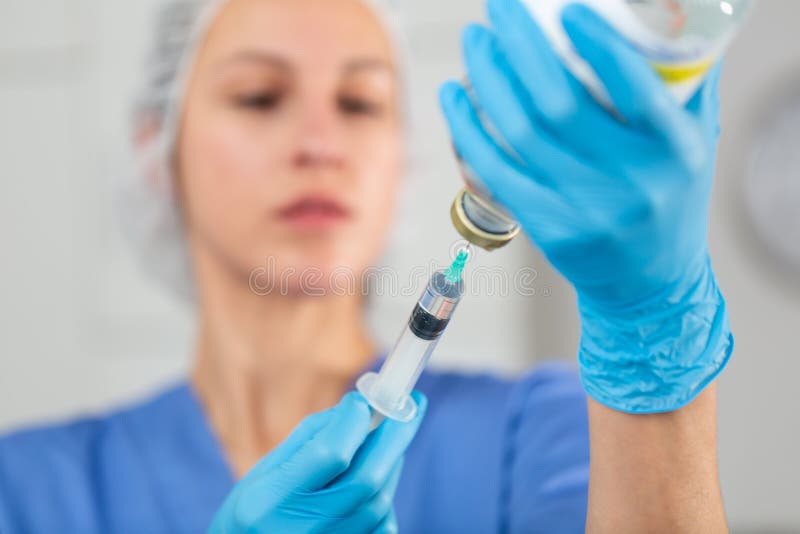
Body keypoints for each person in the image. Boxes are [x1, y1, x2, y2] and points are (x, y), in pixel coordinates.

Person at [0, 0, 732, 532]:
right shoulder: (30, 492)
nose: (321, 143)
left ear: (401, 161)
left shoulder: (541, 433)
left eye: (358, 102)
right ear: (157, 149)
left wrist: (648, 326)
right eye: (260, 96)